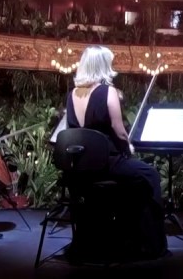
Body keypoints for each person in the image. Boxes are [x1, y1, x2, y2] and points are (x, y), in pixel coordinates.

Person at [63, 45, 166, 258]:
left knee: (135, 180)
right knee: (149, 175)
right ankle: (149, 242)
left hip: (80, 168)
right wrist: (129, 147)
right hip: (107, 163)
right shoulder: (108, 92)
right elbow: (119, 132)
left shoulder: (72, 94)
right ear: (102, 65)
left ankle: (113, 235)